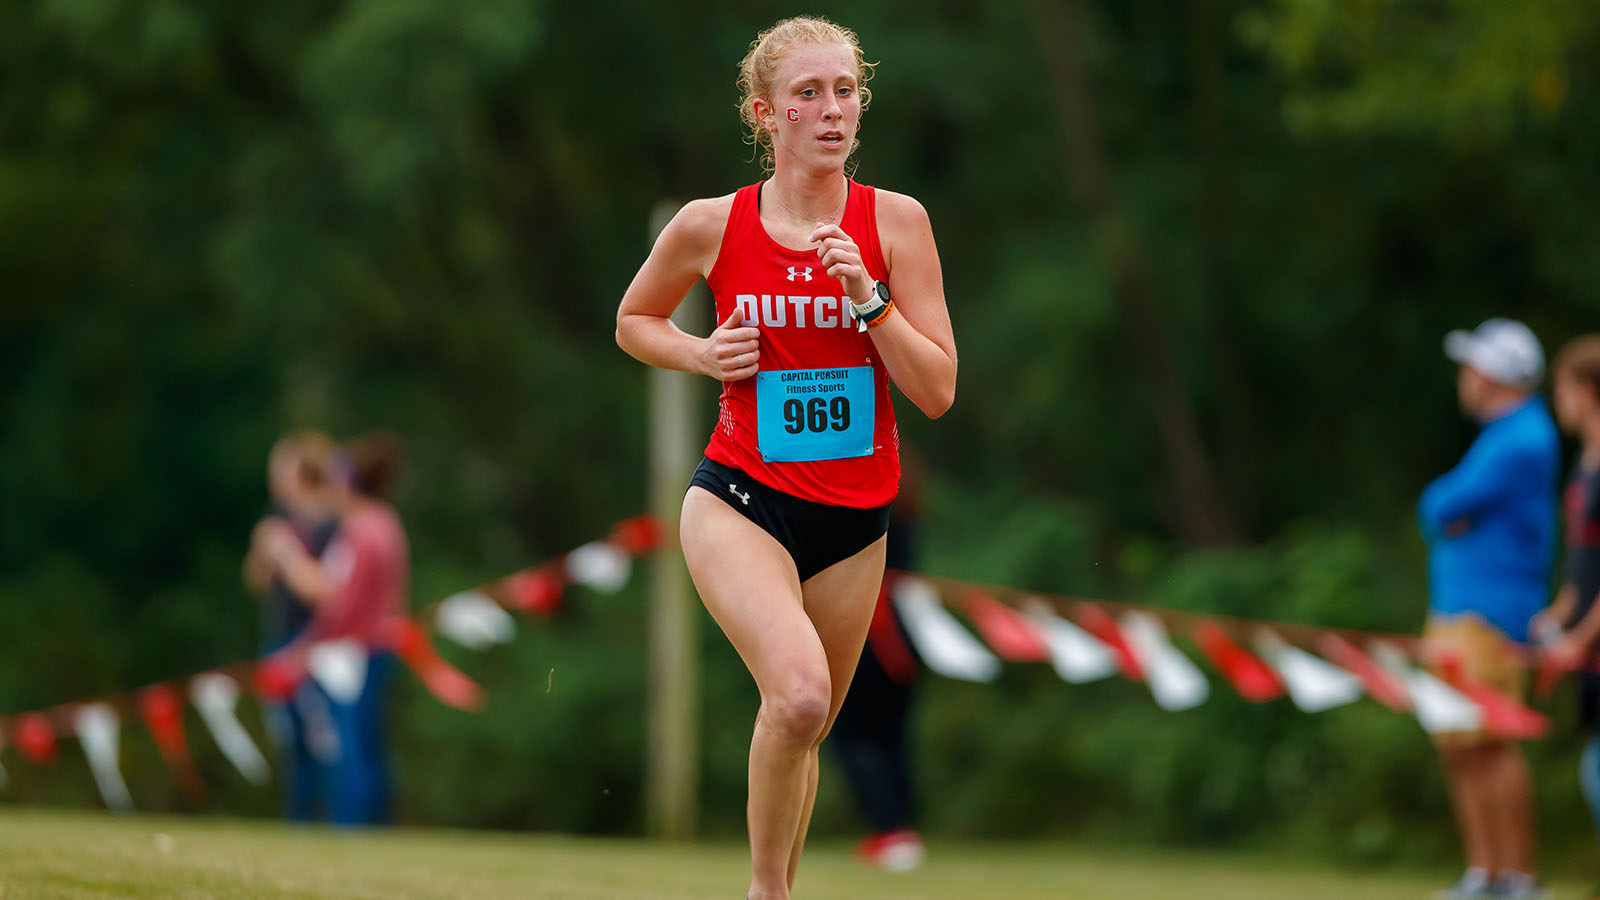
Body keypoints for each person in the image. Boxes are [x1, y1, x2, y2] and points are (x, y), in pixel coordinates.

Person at [614, 16, 956, 899]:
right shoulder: (710, 224)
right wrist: (701, 353)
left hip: (854, 519)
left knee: (803, 727)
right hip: (740, 495)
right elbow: (633, 321)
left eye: (845, 90)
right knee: (800, 697)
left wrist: (870, 301)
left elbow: (938, 389)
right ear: (766, 114)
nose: (832, 109)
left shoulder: (896, 223)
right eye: (808, 94)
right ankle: (767, 893)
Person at [1419, 318, 1558, 900]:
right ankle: (1485, 874)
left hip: (1492, 615)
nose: (1464, 378)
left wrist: (1448, 512)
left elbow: (1441, 502)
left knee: (1491, 744)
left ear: (1498, 377)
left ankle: (1518, 879)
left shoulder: (1523, 437)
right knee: (1459, 742)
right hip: (1457, 611)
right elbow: (1442, 510)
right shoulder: (1499, 436)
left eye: (1472, 367)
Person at [263, 432, 410, 827]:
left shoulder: (364, 530)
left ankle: (355, 827)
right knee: (366, 745)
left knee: (352, 748)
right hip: (371, 649)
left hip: (358, 651)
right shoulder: (385, 524)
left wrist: (307, 646)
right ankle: (369, 825)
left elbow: (343, 602)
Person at [829, 450, 925, 871]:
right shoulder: (908, 509)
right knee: (892, 738)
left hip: (869, 631)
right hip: (907, 636)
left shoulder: (863, 501)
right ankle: (900, 829)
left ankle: (890, 829)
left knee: (850, 736)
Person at [242, 430, 341, 821]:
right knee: (289, 742)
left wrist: (287, 554)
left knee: (324, 742)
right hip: (278, 641)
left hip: (316, 644)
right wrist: (264, 554)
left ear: (304, 471)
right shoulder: (275, 521)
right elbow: (255, 582)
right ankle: (298, 822)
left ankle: (337, 824)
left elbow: (324, 588)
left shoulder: (330, 523)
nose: (274, 477)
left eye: (281, 467)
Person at [1532, 336, 1600, 900]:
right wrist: (1558, 614)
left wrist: (1582, 634)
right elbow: (1585, 569)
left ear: (1587, 390)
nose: (1558, 401)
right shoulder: (1584, 466)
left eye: (1561, 389)